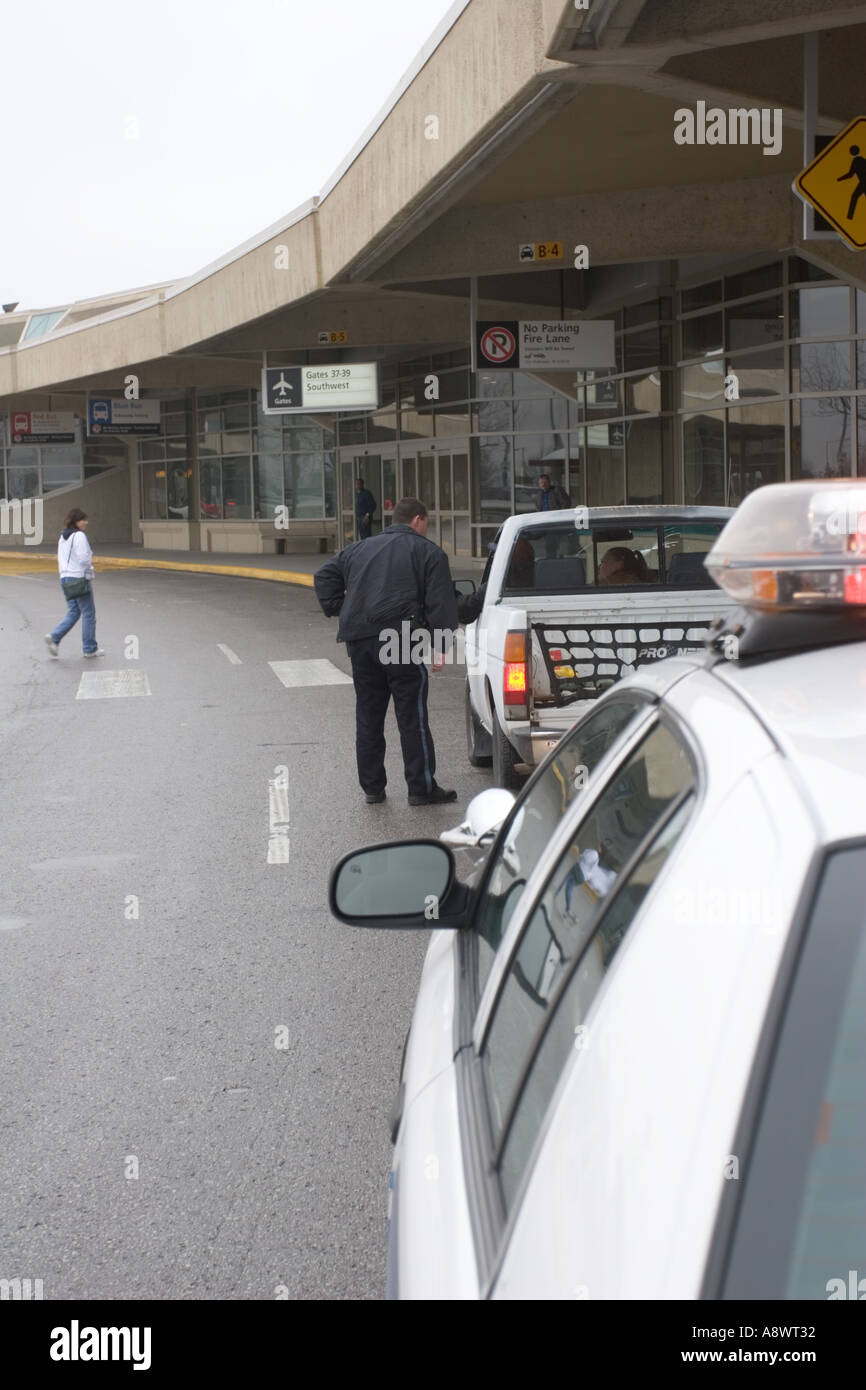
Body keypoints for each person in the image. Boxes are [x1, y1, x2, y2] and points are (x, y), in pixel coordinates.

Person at [314, 497, 460, 806]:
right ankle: (421, 788)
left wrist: (342, 608)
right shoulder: (428, 552)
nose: (426, 529)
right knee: (412, 715)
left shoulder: (358, 549)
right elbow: (440, 602)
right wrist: (440, 646)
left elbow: (324, 576)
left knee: (368, 714)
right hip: (401, 640)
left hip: (361, 640)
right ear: (418, 520)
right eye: (426, 523)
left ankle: (372, 788)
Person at [44, 508, 104, 658]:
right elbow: (84, 559)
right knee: (89, 613)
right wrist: (89, 567)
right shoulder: (79, 536)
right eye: (83, 520)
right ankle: (89, 648)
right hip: (78, 578)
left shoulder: (63, 537)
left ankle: (54, 637)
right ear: (76, 521)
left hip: (65, 578)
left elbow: (61, 558)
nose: (86, 522)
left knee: (74, 611)